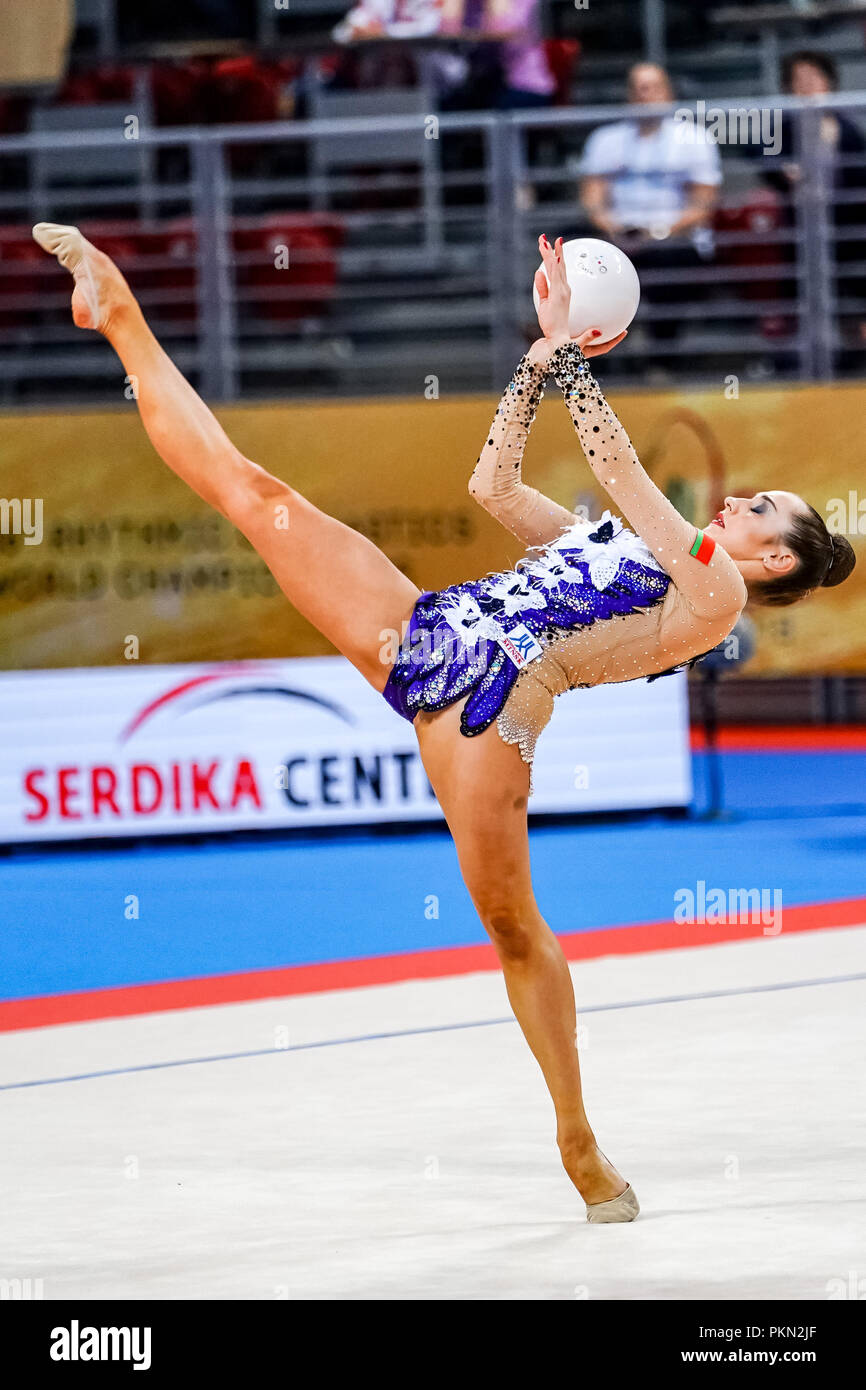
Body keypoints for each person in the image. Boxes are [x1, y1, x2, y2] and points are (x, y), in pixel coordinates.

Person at [32, 222, 856, 1222]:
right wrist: (534, 355)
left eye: (764, 506)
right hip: (421, 630)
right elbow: (493, 488)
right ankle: (118, 312)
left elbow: (625, 476)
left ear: (771, 560)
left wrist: (564, 355)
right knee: (257, 494)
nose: (744, 498)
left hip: (491, 710)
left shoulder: (712, 594)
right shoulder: (621, 548)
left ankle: (576, 1135)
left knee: (510, 925)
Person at [579, 63, 722, 362]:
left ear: (668, 93)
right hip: (617, 235)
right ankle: (585, 355)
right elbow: (592, 199)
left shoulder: (694, 138)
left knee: (667, 263)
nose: (645, 95)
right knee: (570, 253)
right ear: (629, 95)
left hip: (674, 236)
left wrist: (658, 232)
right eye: (639, 88)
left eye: (653, 87)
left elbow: (703, 205)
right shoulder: (605, 139)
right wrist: (614, 230)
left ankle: (661, 359)